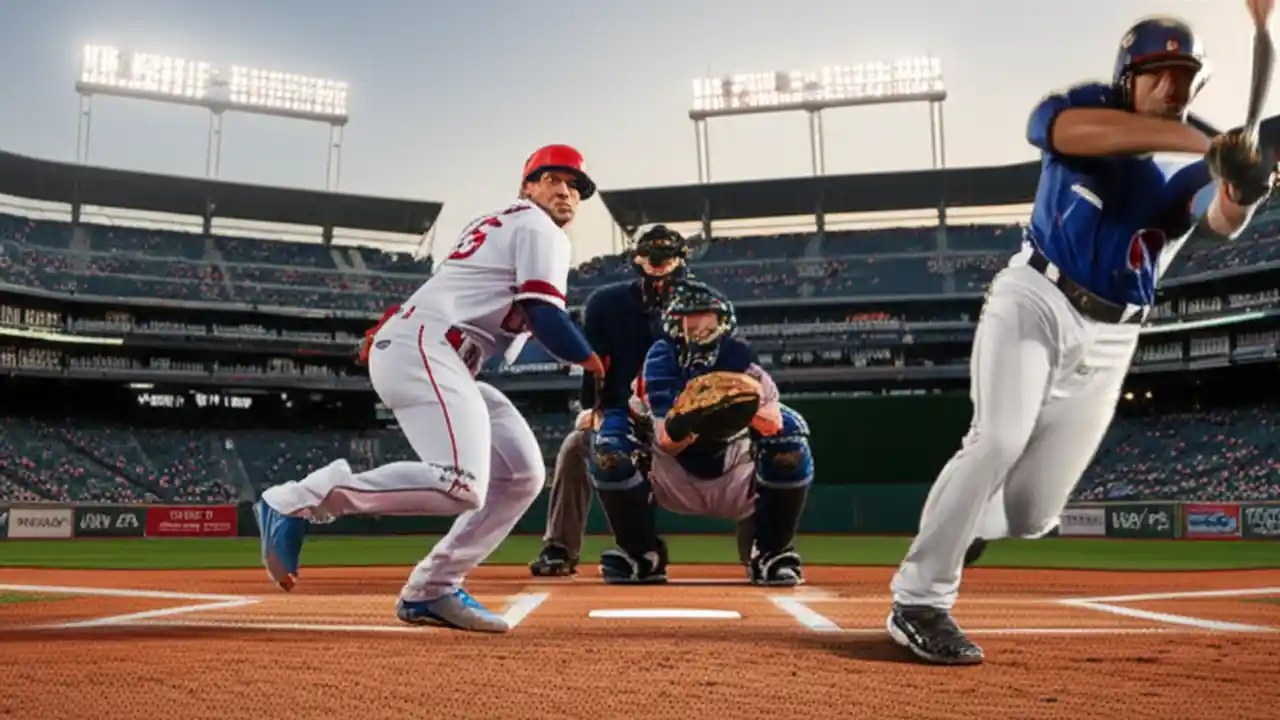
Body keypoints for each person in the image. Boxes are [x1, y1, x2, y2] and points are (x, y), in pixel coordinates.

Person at [886, 11, 1274, 665]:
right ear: (1129, 76)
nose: (1173, 87)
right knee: (998, 439)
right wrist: (1194, 139)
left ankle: (971, 524)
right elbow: (1062, 131)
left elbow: (1221, 218)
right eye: (1159, 73)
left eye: (1185, 77)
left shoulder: (1196, 155)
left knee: (1035, 513)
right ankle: (919, 601)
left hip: (1112, 339)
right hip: (1035, 296)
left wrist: (1245, 185)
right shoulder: (1088, 109)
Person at [254, 144, 606, 633]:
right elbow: (546, 316)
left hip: (436, 352)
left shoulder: (505, 224)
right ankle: (300, 498)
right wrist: (595, 362)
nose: (566, 191)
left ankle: (433, 589)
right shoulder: (537, 226)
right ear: (528, 186)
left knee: (522, 474)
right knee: (462, 482)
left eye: (576, 186)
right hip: (430, 348)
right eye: (554, 179)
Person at [528, 226, 755, 576]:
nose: (660, 262)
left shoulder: (707, 303)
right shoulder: (607, 304)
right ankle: (563, 547)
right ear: (638, 259)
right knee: (576, 446)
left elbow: (724, 364)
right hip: (627, 413)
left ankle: (761, 549)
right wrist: (595, 409)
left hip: (694, 414)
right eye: (652, 254)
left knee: (758, 444)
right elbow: (596, 364)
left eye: (668, 255)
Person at [598, 281, 814, 585]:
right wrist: (695, 417)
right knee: (610, 448)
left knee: (792, 437)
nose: (697, 325)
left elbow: (774, 423)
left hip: (732, 465)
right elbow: (667, 441)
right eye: (689, 317)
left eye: (705, 316)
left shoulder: (742, 361)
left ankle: (771, 552)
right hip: (668, 470)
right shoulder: (660, 361)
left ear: (722, 321)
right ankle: (641, 553)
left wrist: (734, 407)